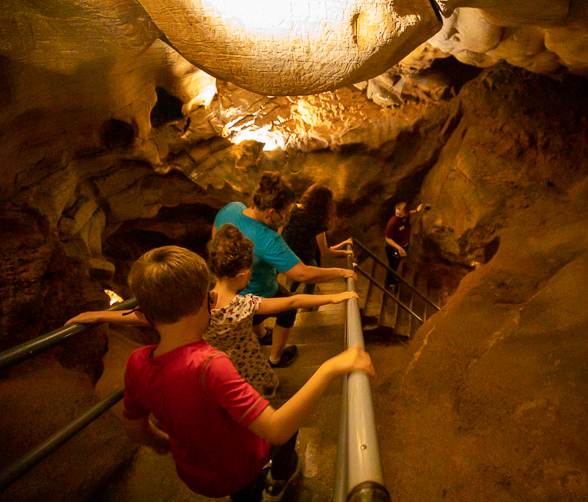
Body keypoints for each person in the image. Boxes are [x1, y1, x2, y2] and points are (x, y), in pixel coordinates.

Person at [102, 245, 376, 501]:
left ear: (142, 314)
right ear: (208, 298)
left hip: (192, 474)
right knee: (287, 433)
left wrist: (163, 443)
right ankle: (278, 479)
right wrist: (329, 368)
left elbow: (136, 430)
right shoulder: (211, 365)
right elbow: (277, 429)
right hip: (239, 472)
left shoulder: (136, 363)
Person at [67, 224, 360, 400]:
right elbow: (293, 302)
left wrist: (96, 315)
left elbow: (140, 315)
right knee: (259, 397)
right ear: (244, 274)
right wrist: (338, 297)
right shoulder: (244, 306)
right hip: (247, 368)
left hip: (209, 372)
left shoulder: (193, 305)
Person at [213, 171, 357, 369]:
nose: (287, 218)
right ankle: (276, 358)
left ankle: (263, 336)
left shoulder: (231, 209)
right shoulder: (268, 239)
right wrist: (340, 272)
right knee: (287, 312)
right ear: (272, 212)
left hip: (229, 289)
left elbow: (215, 239)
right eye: (285, 213)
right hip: (259, 292)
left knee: (258, 317)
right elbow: (302, 274)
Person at [281, 183, 353, 297]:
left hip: (287, 254)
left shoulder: (292, 209)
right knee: (312, 271)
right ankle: (306, 306)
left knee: (300, 271)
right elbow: (325, 251)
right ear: (326, 203)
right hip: (305, 257)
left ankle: (291, 292)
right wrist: (345, 252)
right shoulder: (318, 220)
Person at [384, 201, 425, 288]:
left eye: (400, 215)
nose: (397, 216)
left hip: (403, 245)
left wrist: (417, 211)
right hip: (393, 248)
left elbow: (410, 213)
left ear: (405, 214)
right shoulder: (393, 223)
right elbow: (388, 238)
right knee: (392, 265)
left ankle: (393, 278)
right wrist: (398, 247)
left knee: (397, 263)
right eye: (396, 213)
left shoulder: (407, 216)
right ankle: (389, 283)